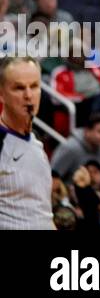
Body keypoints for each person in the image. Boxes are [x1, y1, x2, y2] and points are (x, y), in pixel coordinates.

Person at [0, 56, 53, 229]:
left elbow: (42, 212)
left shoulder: (36, 145)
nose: (28, 95)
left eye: (34, 86)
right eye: (19, 88)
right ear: (1, 94)